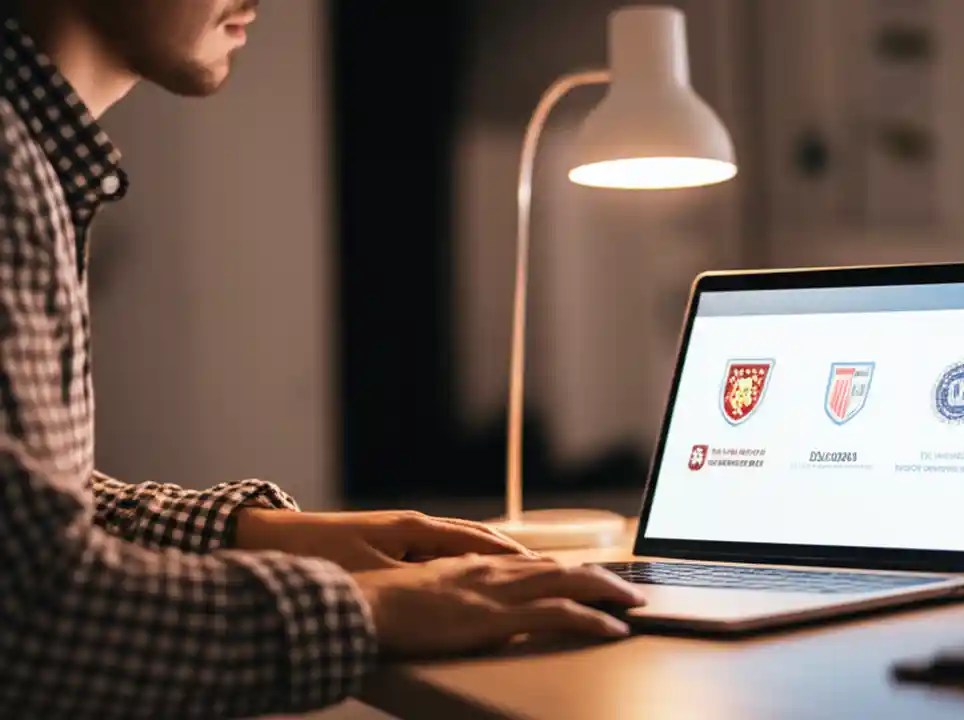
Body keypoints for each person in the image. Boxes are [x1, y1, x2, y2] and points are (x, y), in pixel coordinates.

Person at [0, 1, 645, 717]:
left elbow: (28, 512)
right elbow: (28, 617)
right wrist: (370, 608)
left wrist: (254, 531)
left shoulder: (34, 157)